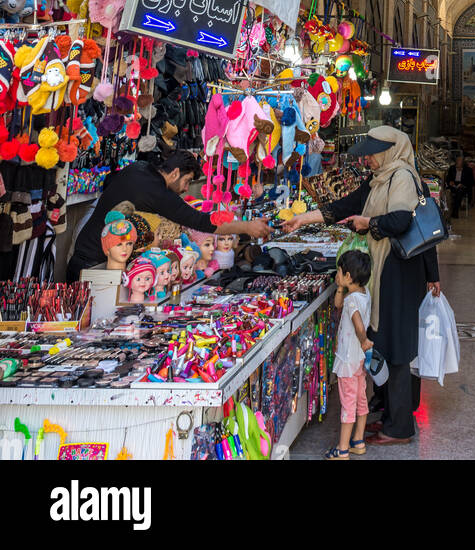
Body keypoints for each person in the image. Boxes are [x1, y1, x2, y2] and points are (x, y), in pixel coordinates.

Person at [283, 125, 440, 445]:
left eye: (372, 153)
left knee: (395, 345)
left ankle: (400, 427)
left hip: (399, 271)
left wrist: (370, 223)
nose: (366, 159)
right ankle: (386, 412)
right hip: (382, 268)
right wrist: (304, 218)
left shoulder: (403, 178)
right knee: (380, 338)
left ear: (390, 151)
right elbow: (345, 206)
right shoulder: (380, 178)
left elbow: (401, 221)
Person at [67, 149, 270, 280]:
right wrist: (245, 227)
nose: (186, 188)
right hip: (96, 267)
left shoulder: (138, 169)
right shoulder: (159, 194)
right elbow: (203, 222)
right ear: (174, 173)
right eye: (187, 181)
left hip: (83, 252)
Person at [326, 248, 374, 461]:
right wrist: (339, 288)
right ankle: (358, 441)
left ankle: (342, 449)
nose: (337, 275)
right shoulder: (362, 293)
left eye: (339, 272)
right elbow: (338, 305)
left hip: (348, 359)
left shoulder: (352, 300)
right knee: (361, 399)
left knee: (348, 403)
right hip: (359, 361)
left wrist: (363, 340)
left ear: (348, 276)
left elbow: (357, 324)